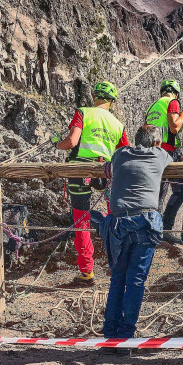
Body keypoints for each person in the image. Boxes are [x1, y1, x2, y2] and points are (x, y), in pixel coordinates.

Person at [90, 125, 172, 356]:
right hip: (144, 223)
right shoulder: (160, 155)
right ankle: (125, 338)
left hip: (117, 225)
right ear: (156, 143)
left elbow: (112, 165)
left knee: (117, 279)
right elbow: (169, 157)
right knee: (135, 282)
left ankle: (109, 336)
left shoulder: (120, 154)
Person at [51, 81, 128, 285]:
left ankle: (87, 272)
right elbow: (124, 153)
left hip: (79, 170)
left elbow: (72, 142)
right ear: (112, 102)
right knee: (115, 217)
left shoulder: (83, 113)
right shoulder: (118, 125)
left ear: (95, 97)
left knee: (81, 221)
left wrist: (56, 143)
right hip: (106, 172)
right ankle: (119, 265)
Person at [145, 79, 183, 245]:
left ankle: (153, 232)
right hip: (167, 153)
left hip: (151, 152)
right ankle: (164, 230)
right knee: (180, 191)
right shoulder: (172, 102)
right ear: (176, 93)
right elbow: (174, 127)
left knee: (157, 194)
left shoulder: (152, 106)